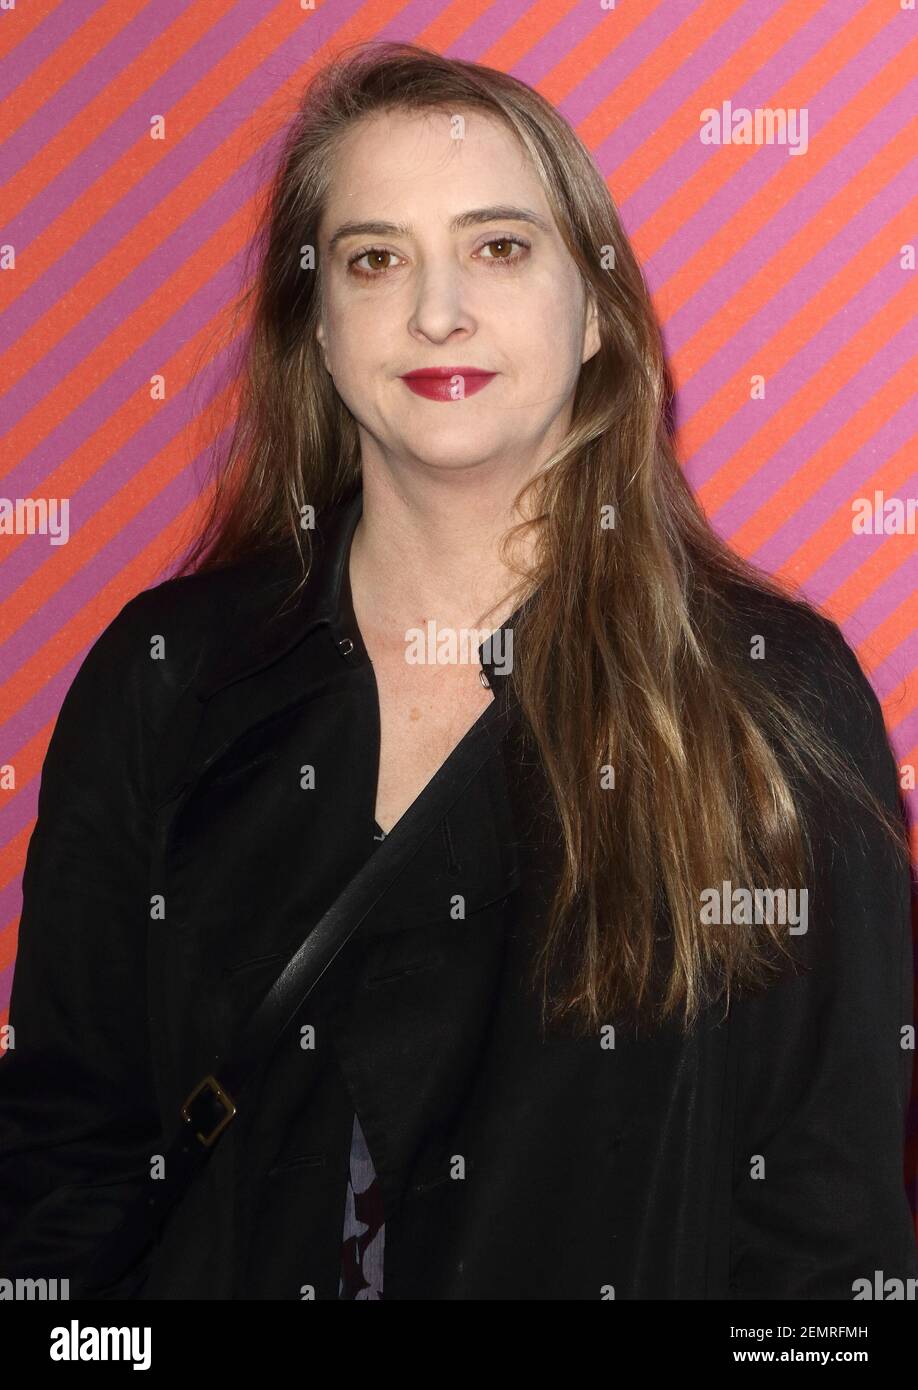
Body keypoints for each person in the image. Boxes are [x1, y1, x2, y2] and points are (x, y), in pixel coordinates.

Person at [1, 40, 915, 1302]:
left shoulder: (771, 700)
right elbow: (68, 1168)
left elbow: (828, 1242)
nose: (438, 311)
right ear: (314, 327)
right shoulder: (162, 680)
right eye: (375, 259)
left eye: (498, 246)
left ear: (596, 310)